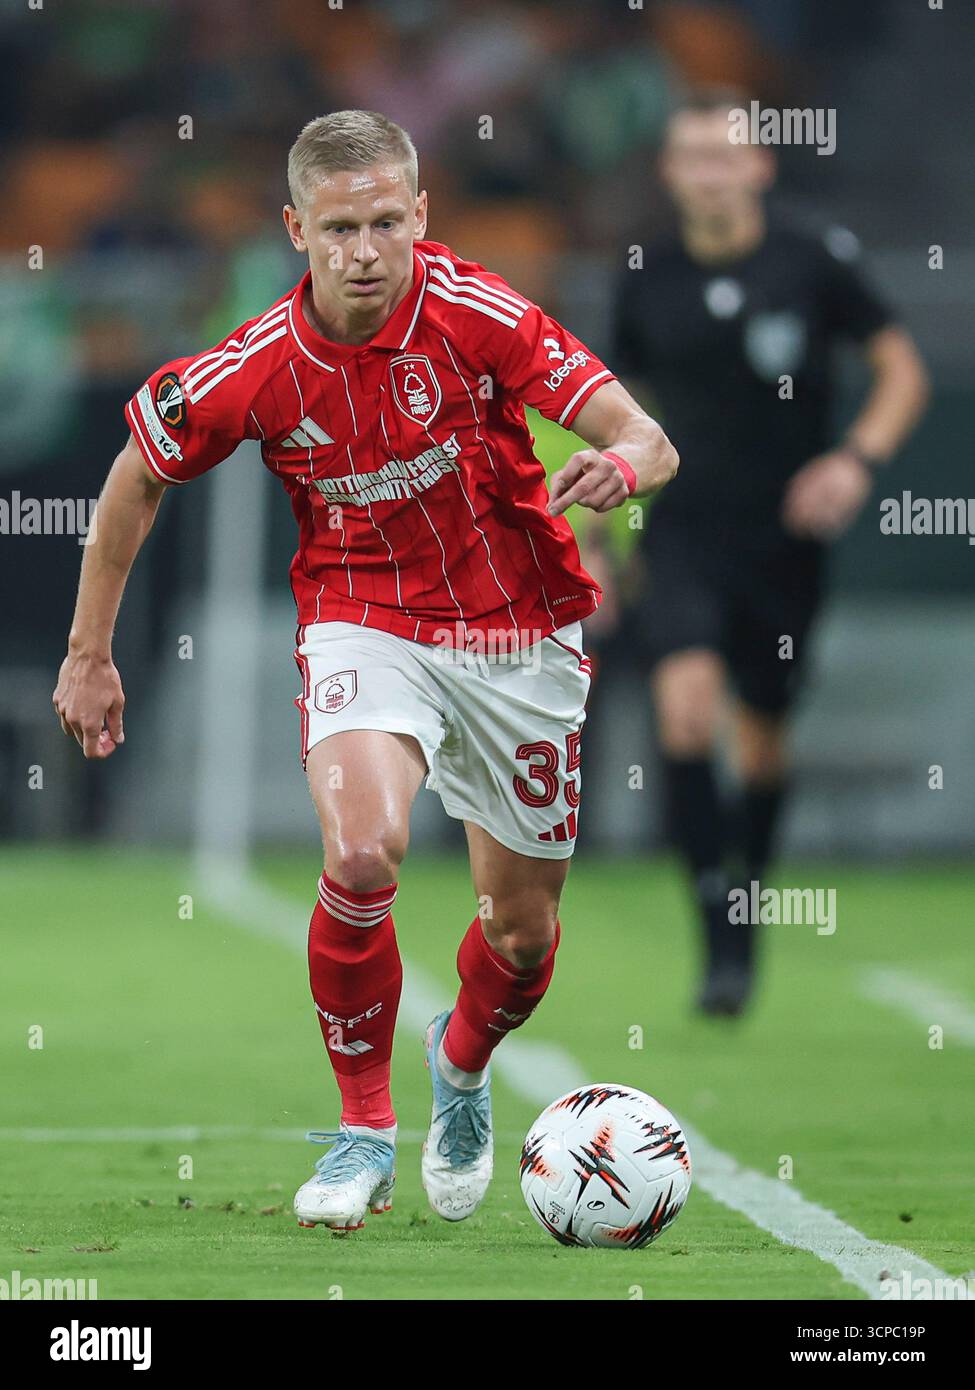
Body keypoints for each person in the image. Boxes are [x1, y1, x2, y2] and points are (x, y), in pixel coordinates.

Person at [52, 110, 678, 1233]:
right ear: (297, 226)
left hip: (515, 633)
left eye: (387, 221)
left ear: (420, 215)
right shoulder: (255, 367)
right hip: (364, 618)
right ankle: (360, 1132)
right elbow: (134, 475)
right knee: (359, 849)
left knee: (523, 937)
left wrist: (621, 465)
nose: (364, 250)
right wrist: (89, 650)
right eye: (339, 227)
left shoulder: (483, 312)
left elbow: (647, 434)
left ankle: (464, 1062)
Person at [596, 91, 929, 1016]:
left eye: (723, 155)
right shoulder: (646, 276)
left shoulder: (812, 259)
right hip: (682, 530)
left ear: (757, 166)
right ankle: (719, 937)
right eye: (691, 156)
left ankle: (747, 906)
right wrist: (595, 537)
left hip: (784, 536)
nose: (708, 171)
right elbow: (603, 406)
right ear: (670, 173)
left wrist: (855, 461)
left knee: (763, 739)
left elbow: (902, 368)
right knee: (685, 718)